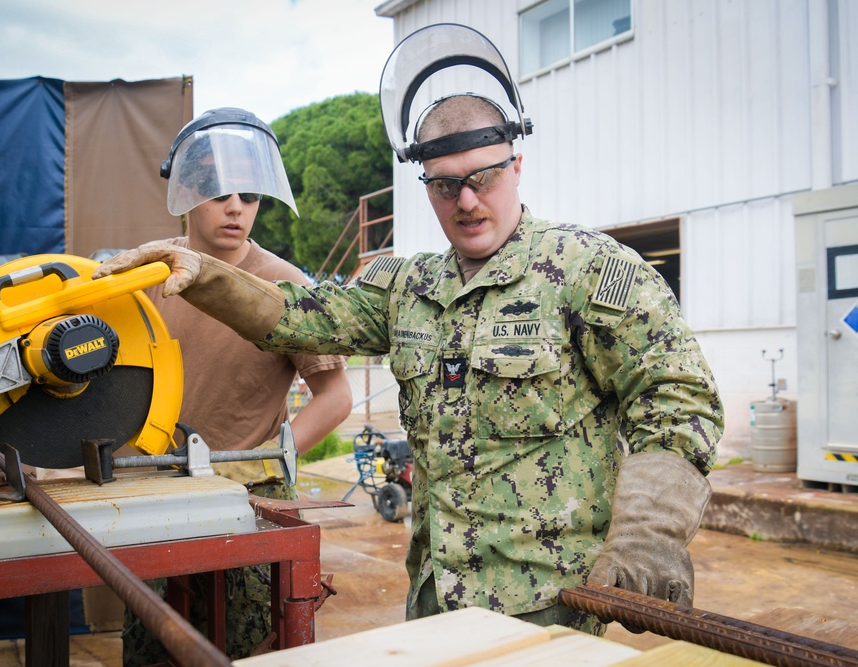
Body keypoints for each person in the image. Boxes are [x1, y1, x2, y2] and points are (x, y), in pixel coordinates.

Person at [96, 25, 723, 638]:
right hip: (434, 598)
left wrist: (649, 534)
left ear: (517, 165)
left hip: (545, 603)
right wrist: (201, 273)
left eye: (484, 177)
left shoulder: (590, 273)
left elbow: (677, 399)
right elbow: (300, 317)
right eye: (445, 185)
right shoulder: (408, 287)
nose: (468, 201)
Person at [120, 107, 352, 664]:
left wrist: (270, 460)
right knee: (154, 645)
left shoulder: (283, 284)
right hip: (153, 492)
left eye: (249, 195)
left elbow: (336, 395)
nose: (236, 207)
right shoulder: (146, 274)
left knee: (252, 649)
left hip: (250, 499)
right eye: (220, 191)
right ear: (186, 193)